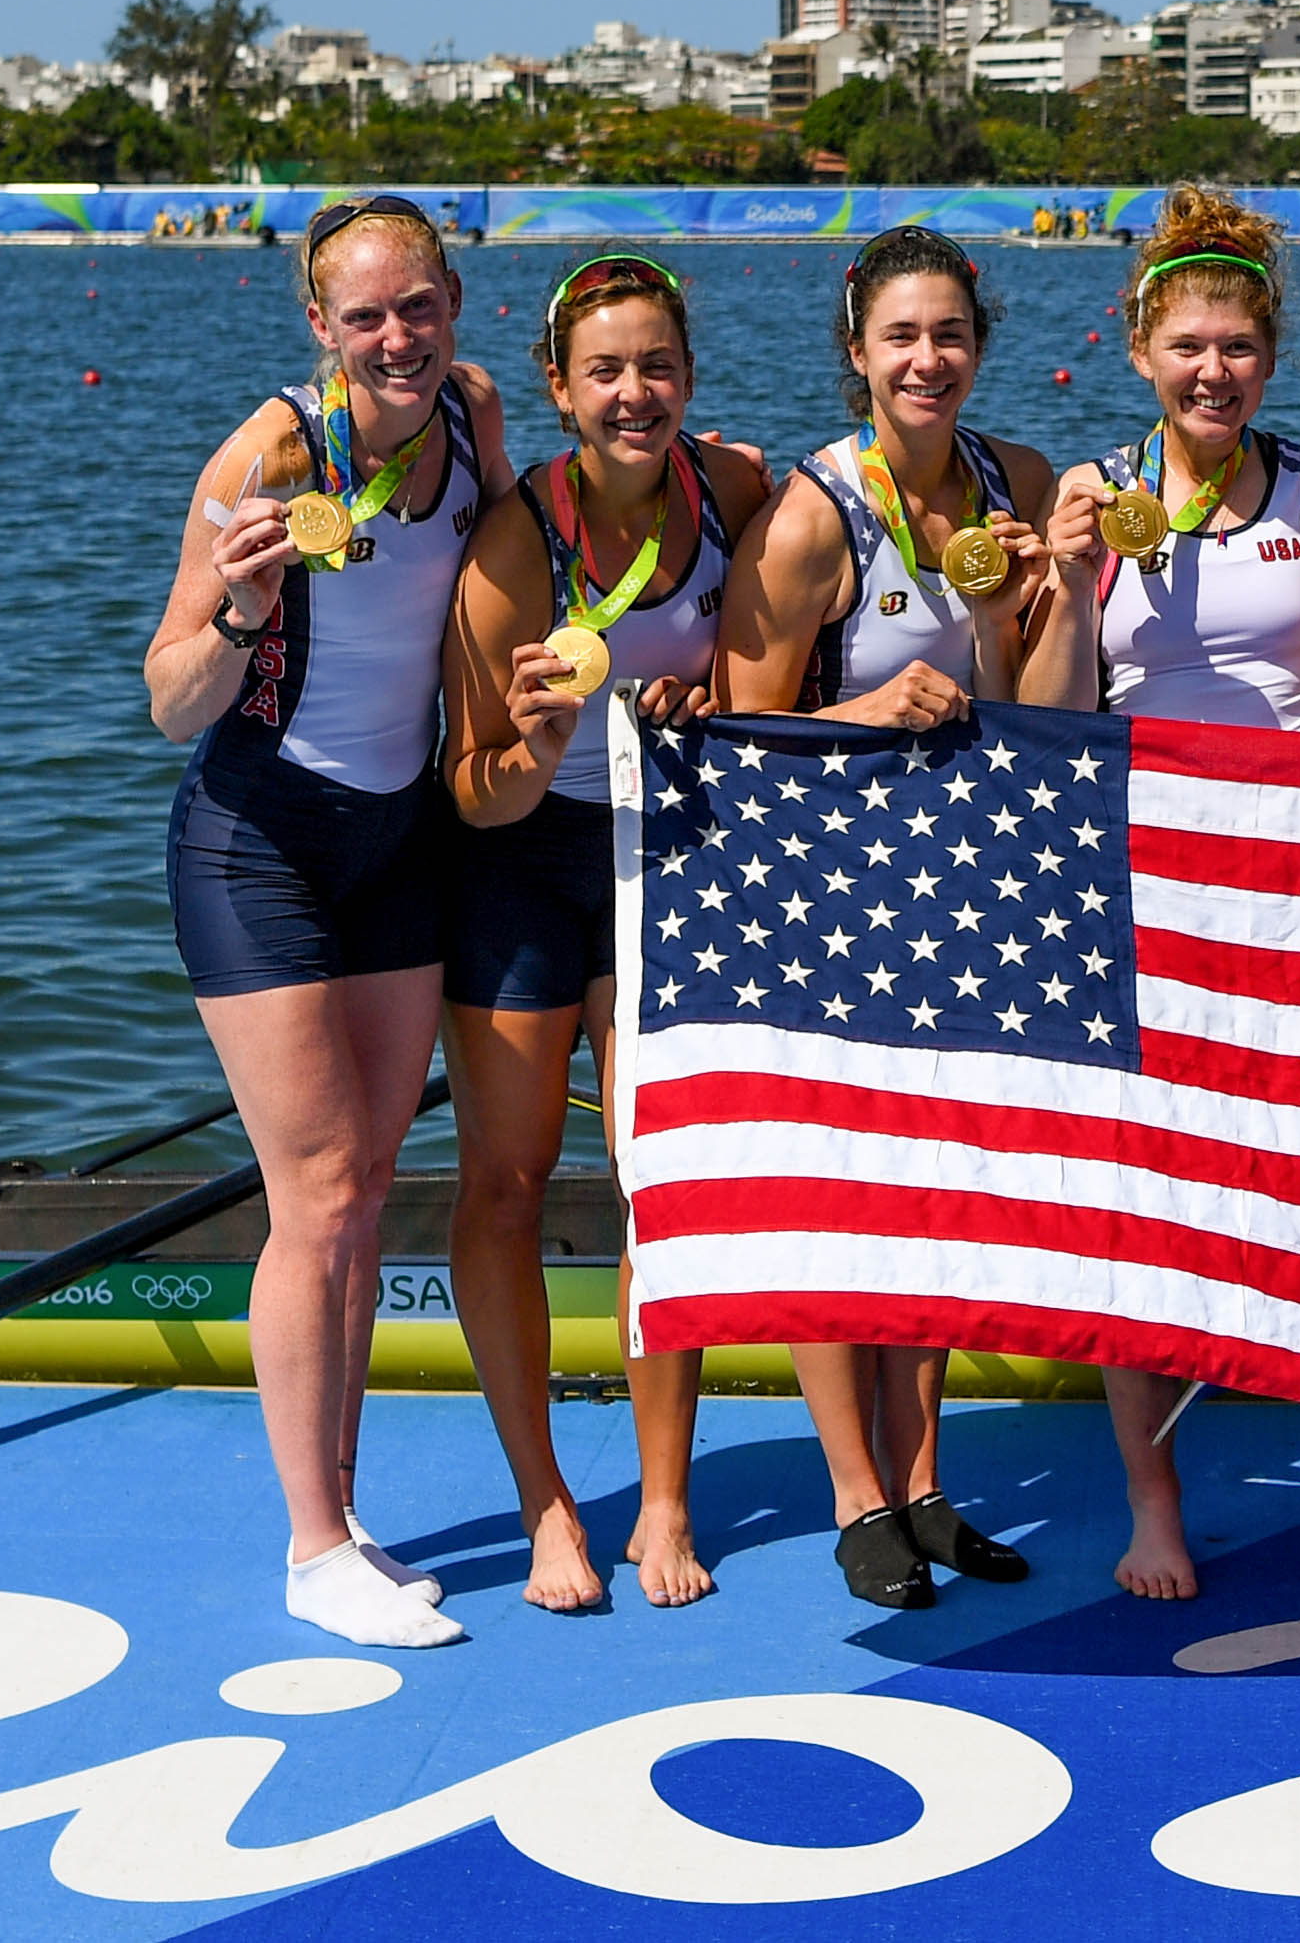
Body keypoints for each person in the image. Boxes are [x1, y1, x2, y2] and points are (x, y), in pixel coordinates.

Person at [1028, 184, 1300, 1614]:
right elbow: (1048, 717)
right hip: (1145, 879)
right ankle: (1157, 1502)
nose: (1215, 373)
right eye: (1189, 348)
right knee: (1140, 1212)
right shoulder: (1085, 491)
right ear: (1141, 351)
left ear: (1272, 358)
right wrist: (1073, 589)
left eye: (1241, 350)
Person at [141, 194, 511, 1649]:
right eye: (365, 317)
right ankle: (310, 1547)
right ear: (320, 329)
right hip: (259, 836)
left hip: (401, 830)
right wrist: (237, 613)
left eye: (417, 306)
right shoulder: (268, 455)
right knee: (320, 1192)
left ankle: (346, 1508)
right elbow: (166, 694)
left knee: (368, 1188)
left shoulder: (475, 418)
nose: (397, 337)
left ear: (454, 304)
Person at [713, 225, 1068, 1610]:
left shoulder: (1018, 481)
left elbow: (1042, 693)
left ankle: (924, 1481)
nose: (930, 360)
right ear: (857, 352)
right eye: (901, 338)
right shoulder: (813, 515)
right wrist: (863, 713)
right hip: (829, 887)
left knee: (934, 1202)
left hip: (967, 884)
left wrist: (1037, 603)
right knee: (834, 1200)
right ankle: (854, 1489)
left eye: (951, 336)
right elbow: (741, 724)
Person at [442, 253, 768, 1611]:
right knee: (509, 1183)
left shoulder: (737, 486)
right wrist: (536, 742)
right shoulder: (517, 541)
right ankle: (548, 1503)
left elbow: (792, 643)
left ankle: (669, 1497)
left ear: (687, 376)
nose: (636, 393)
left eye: (658, 367)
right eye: (608, 372)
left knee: (666, 1180)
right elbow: (472, 790)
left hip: (665, 850)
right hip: (522, 856)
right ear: (562, 391)